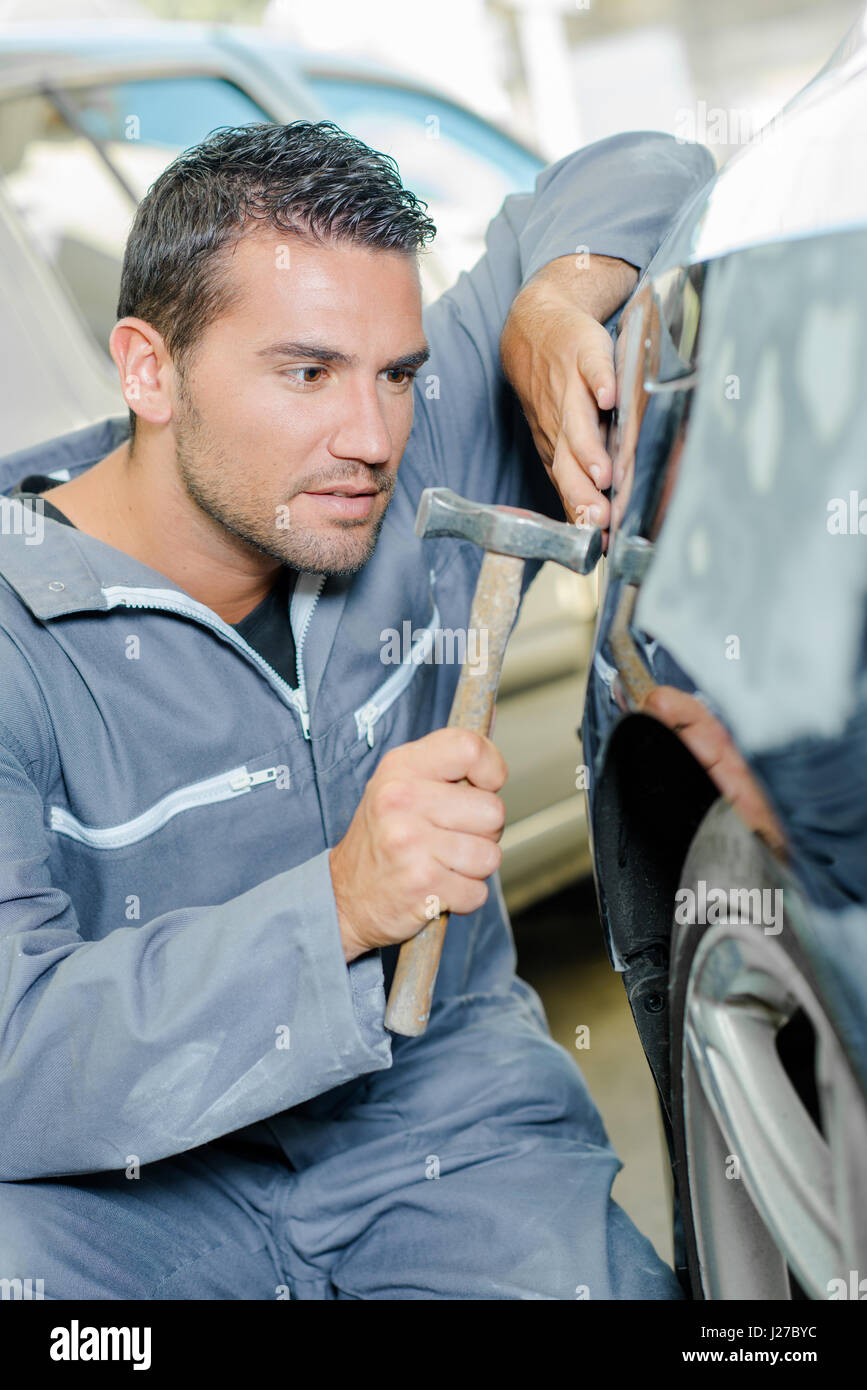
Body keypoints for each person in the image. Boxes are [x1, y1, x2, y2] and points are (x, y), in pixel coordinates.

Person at [0, 120, 713, 1299]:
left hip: (442, 1138)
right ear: (148, 369)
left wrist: (551, 303)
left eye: (398, 372)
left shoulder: (413, 460)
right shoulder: (22, 630)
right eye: (307, 371)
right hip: (135, 1197)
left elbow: (657, 167)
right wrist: (338, 905)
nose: (374, 437)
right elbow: (16, 1055)